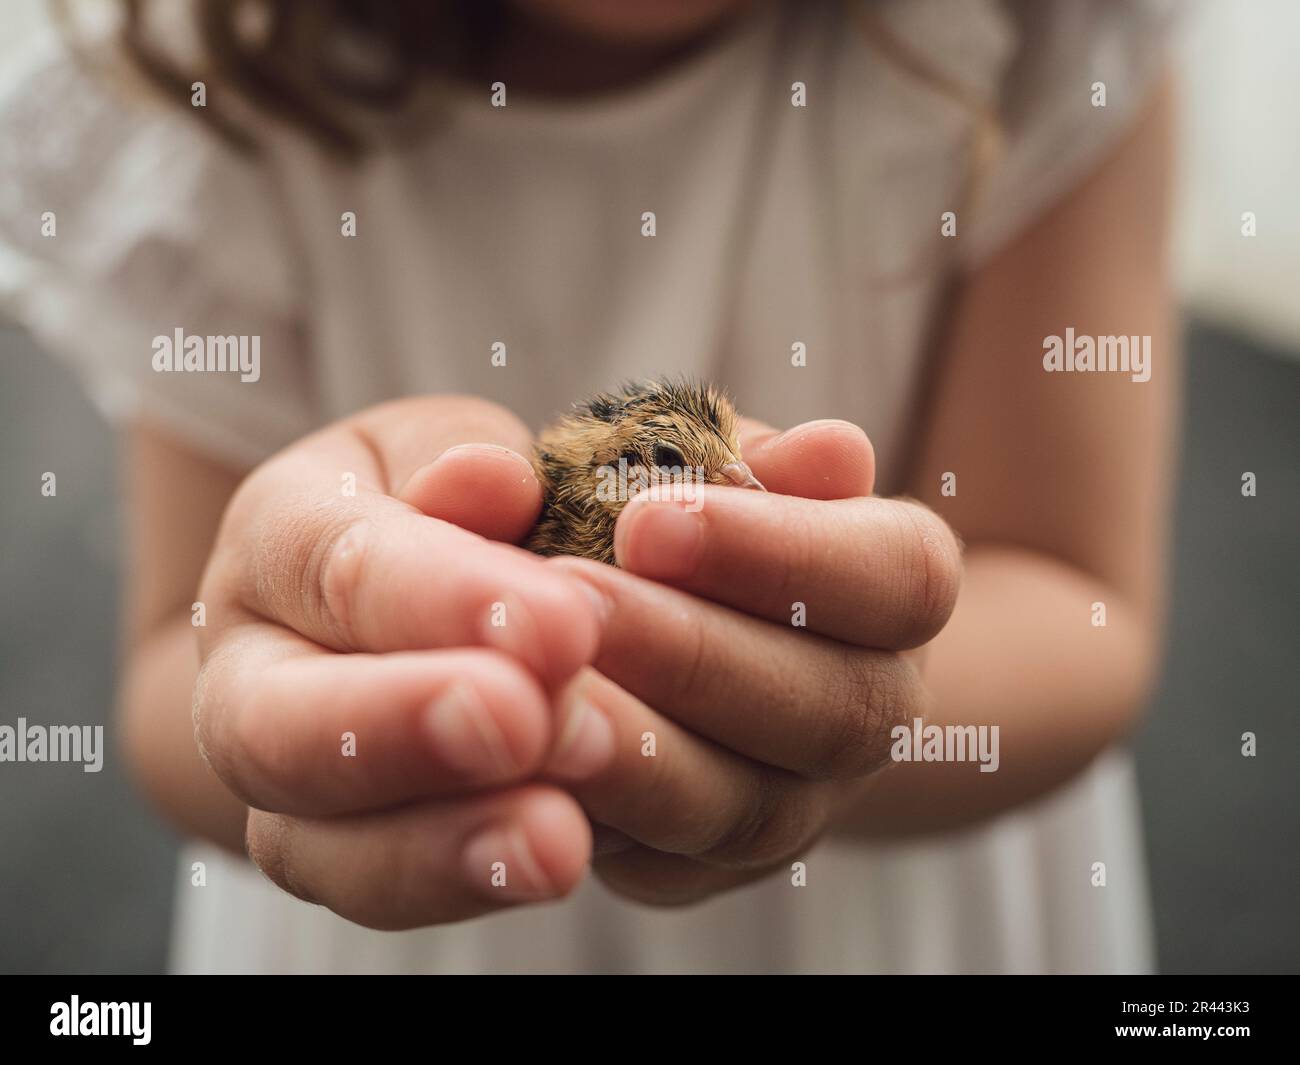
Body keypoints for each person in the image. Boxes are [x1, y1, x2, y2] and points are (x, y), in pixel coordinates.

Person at [0, 0, 1178, 973]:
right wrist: (288, 681)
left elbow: (1082, 600)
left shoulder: (1039, 37)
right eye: (672, 471)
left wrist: (849, 705)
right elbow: (173, 674)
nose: (714, 488)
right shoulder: (211, 105)